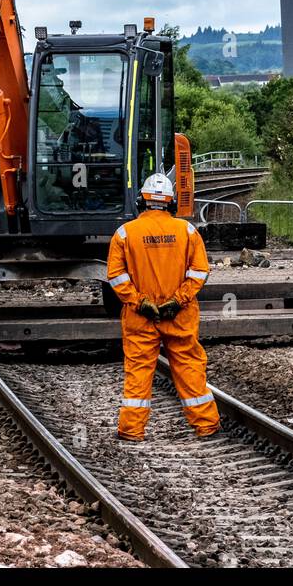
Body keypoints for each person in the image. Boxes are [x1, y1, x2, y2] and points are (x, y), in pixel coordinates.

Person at [106, 172, 221, 441]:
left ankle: (131, 430)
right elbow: (199, 271)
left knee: (138, 370)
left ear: (141, 201)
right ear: (171, 203)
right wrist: (177, 300)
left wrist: (140, 302)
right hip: (178, 315)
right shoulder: (187, 232)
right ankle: (206, 424)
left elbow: (116, 276)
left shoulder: (125, 234)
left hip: (141, 317)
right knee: (188, 366)